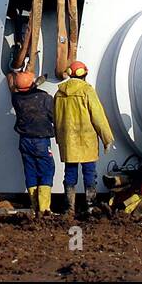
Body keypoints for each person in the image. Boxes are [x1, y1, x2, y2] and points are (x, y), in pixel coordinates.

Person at [54, 60, 113, 217]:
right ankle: (90, 206)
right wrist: (107, 138)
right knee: (89, 173)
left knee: (70, 174)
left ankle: (69, 208)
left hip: (69, 141)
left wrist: (60, 140)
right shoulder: (87, 91)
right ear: (84, 74)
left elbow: (57, 119)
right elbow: (98, 116)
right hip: (86, 140)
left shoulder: (59, 93)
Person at [9, 69, 55, 216]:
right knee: (47, 170)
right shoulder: (45, 98)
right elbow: (54, 116)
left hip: (24, 141)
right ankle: (44, 208)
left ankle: (35, 206)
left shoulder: (16, 98)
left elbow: (12, 82)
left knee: (30, 171)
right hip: (41, 140)